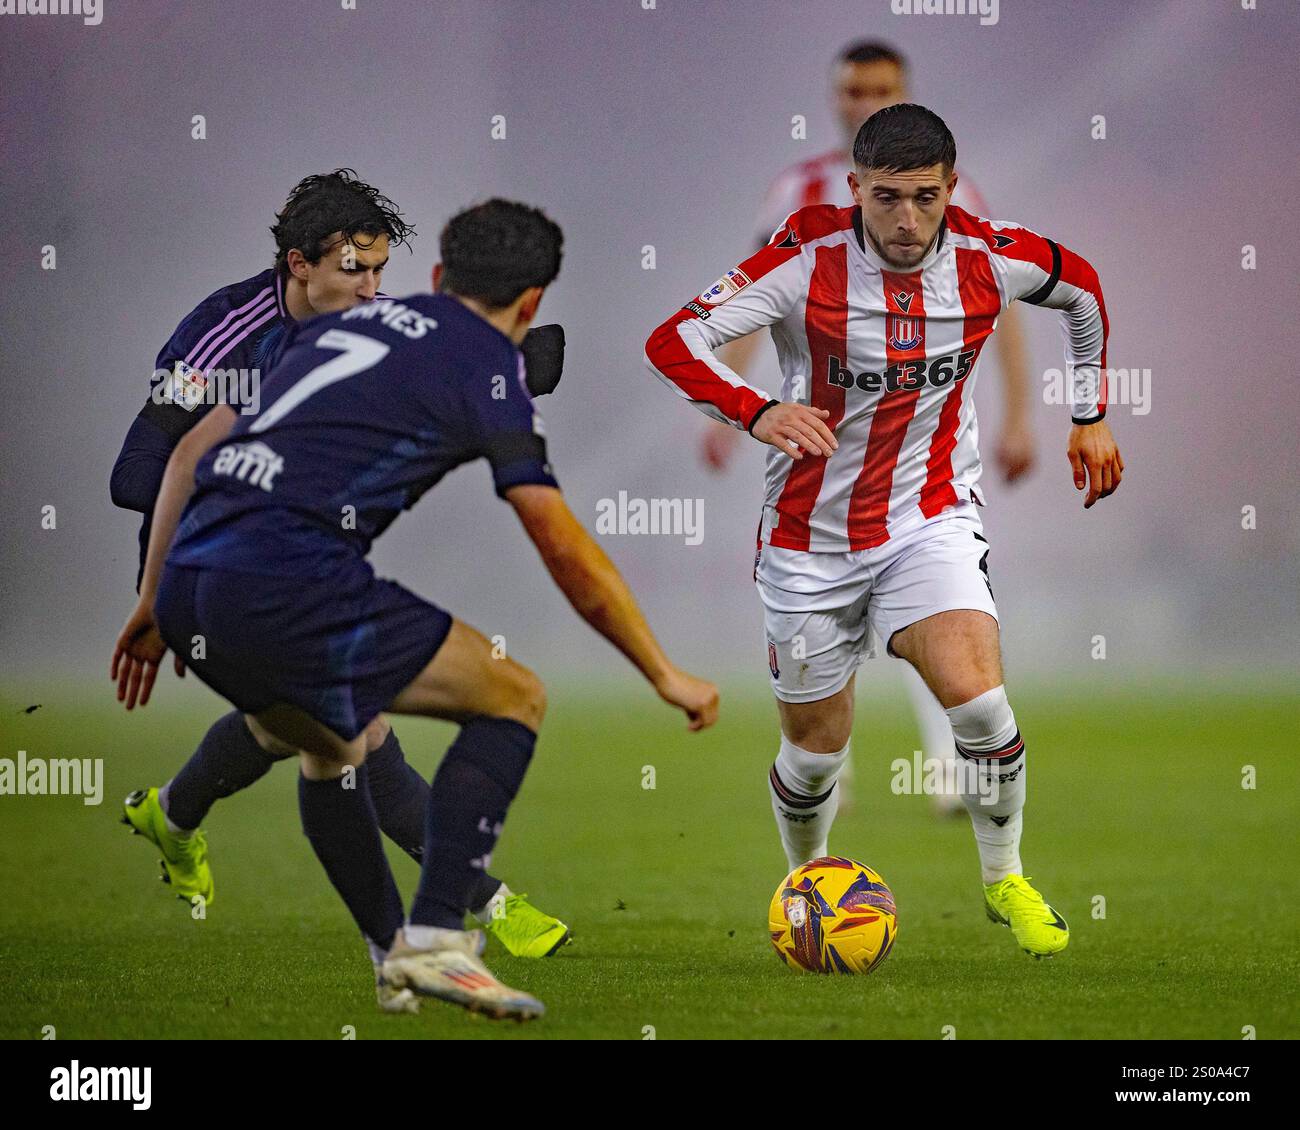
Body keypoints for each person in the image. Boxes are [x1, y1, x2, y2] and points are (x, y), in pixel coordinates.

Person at [113, 199, 719, 1019]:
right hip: (291, 579)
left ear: (435, 277)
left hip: (193, 574)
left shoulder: (332, 329)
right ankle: (436, 942)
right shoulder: (486, 366)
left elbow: (190, 447)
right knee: (514, 695)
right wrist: (663, 670)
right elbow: (559, 538)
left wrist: (154, 598)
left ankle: (389, 953)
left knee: (335, 746)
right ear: (532, 303)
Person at [646, 104, 1122, 958]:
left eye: (927, 198)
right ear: (856, 188)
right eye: (888, 198)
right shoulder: (804, 260)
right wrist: (757, 411)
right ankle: (809, 882)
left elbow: (1083, 289)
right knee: (817, 756)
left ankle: (1004, 877)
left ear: (950, 188)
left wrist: (1089, 415)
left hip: (928, 520)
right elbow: (675, 340)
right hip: (808, 541)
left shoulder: (988, 255)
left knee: (981, 703)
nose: (908, 221)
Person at [698, 41, 1038, 816]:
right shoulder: (799, 190)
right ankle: (826, 761)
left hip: (922, 442)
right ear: (834, 99)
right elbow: (758, 297)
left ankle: (950, 766)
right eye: (854, 89)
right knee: (817, 613)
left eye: (881, 87)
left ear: (905, 91)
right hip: (820, 447)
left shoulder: (960, 192)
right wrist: (732, 401)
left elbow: (1002, 306)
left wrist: (1021, 416)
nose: (865, 100)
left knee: (935, 606)